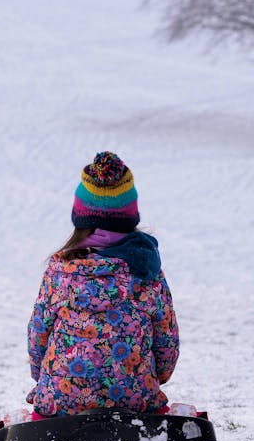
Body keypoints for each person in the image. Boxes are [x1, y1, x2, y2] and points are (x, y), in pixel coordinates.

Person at [26, 151, 179, 418]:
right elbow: (166, 337)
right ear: (130, 215)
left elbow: (38, 333)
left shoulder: (60, 272)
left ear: (80, 218)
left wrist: (42, 378)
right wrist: (157, 377)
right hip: (135, 397)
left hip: (62, 397)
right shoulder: (146, 270)